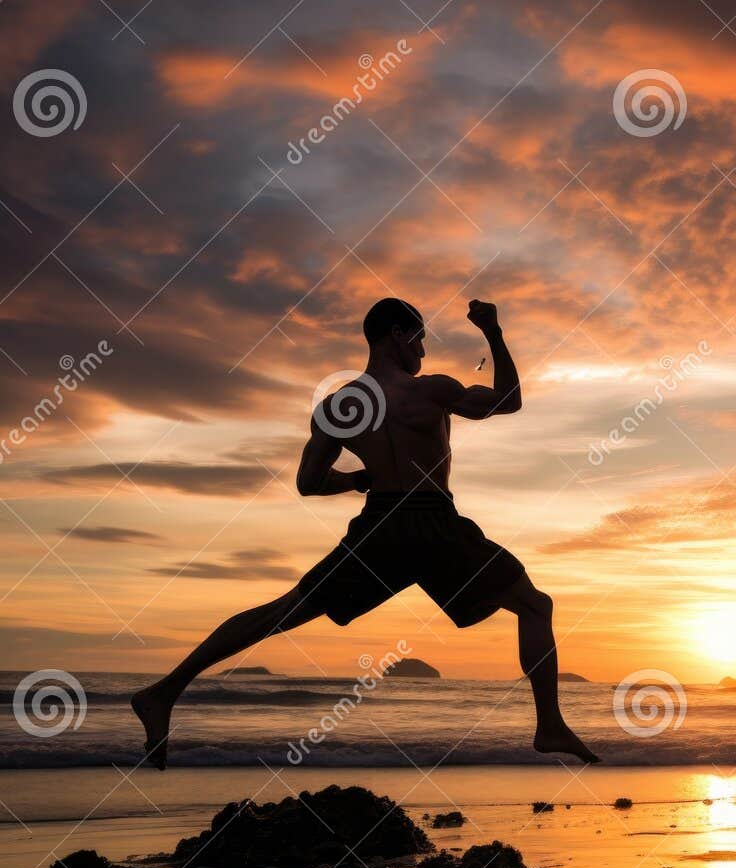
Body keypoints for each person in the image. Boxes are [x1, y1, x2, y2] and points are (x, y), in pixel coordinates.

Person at [131, 297, 598, 768]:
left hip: (380, 524)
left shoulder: (338, 406)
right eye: (420, 339)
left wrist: (357, 479)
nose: (423, 351)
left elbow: (309, 484)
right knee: (534, 605)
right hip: (434, 522)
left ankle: (164, 691)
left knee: (284, 611)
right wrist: (493, 332)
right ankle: (550, 726)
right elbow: (508, 399)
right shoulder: (431, 391)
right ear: (398, 334)